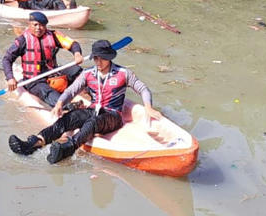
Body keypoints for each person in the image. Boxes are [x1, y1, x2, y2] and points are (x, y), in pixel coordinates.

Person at [8, 39, 163, 164]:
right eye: (96, 58)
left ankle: (67, 149)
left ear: (109, 58)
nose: (98, 62)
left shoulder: (124, 73)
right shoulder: (88, 74)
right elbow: (71, 90)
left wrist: (148, 107)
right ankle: (33, 144)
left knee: (92, 123)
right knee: (67, 120)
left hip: (112, 115)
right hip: (93, 109)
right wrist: (60, 103)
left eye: (102, 58)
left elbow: (143, 89)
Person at [2, 12, 83, 107]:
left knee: (78, 71)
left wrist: (77, 54)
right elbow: (7, 59)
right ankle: (68, 106)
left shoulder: (53, 35)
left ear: (45, 26)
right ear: (29, 24)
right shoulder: (22, 40)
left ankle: (92, 92)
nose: (38, 28)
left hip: (53, 72)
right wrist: (10, 78)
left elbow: (73, 44)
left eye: (41, 25)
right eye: (35, 24)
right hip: (34, 80)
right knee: (46, 91)